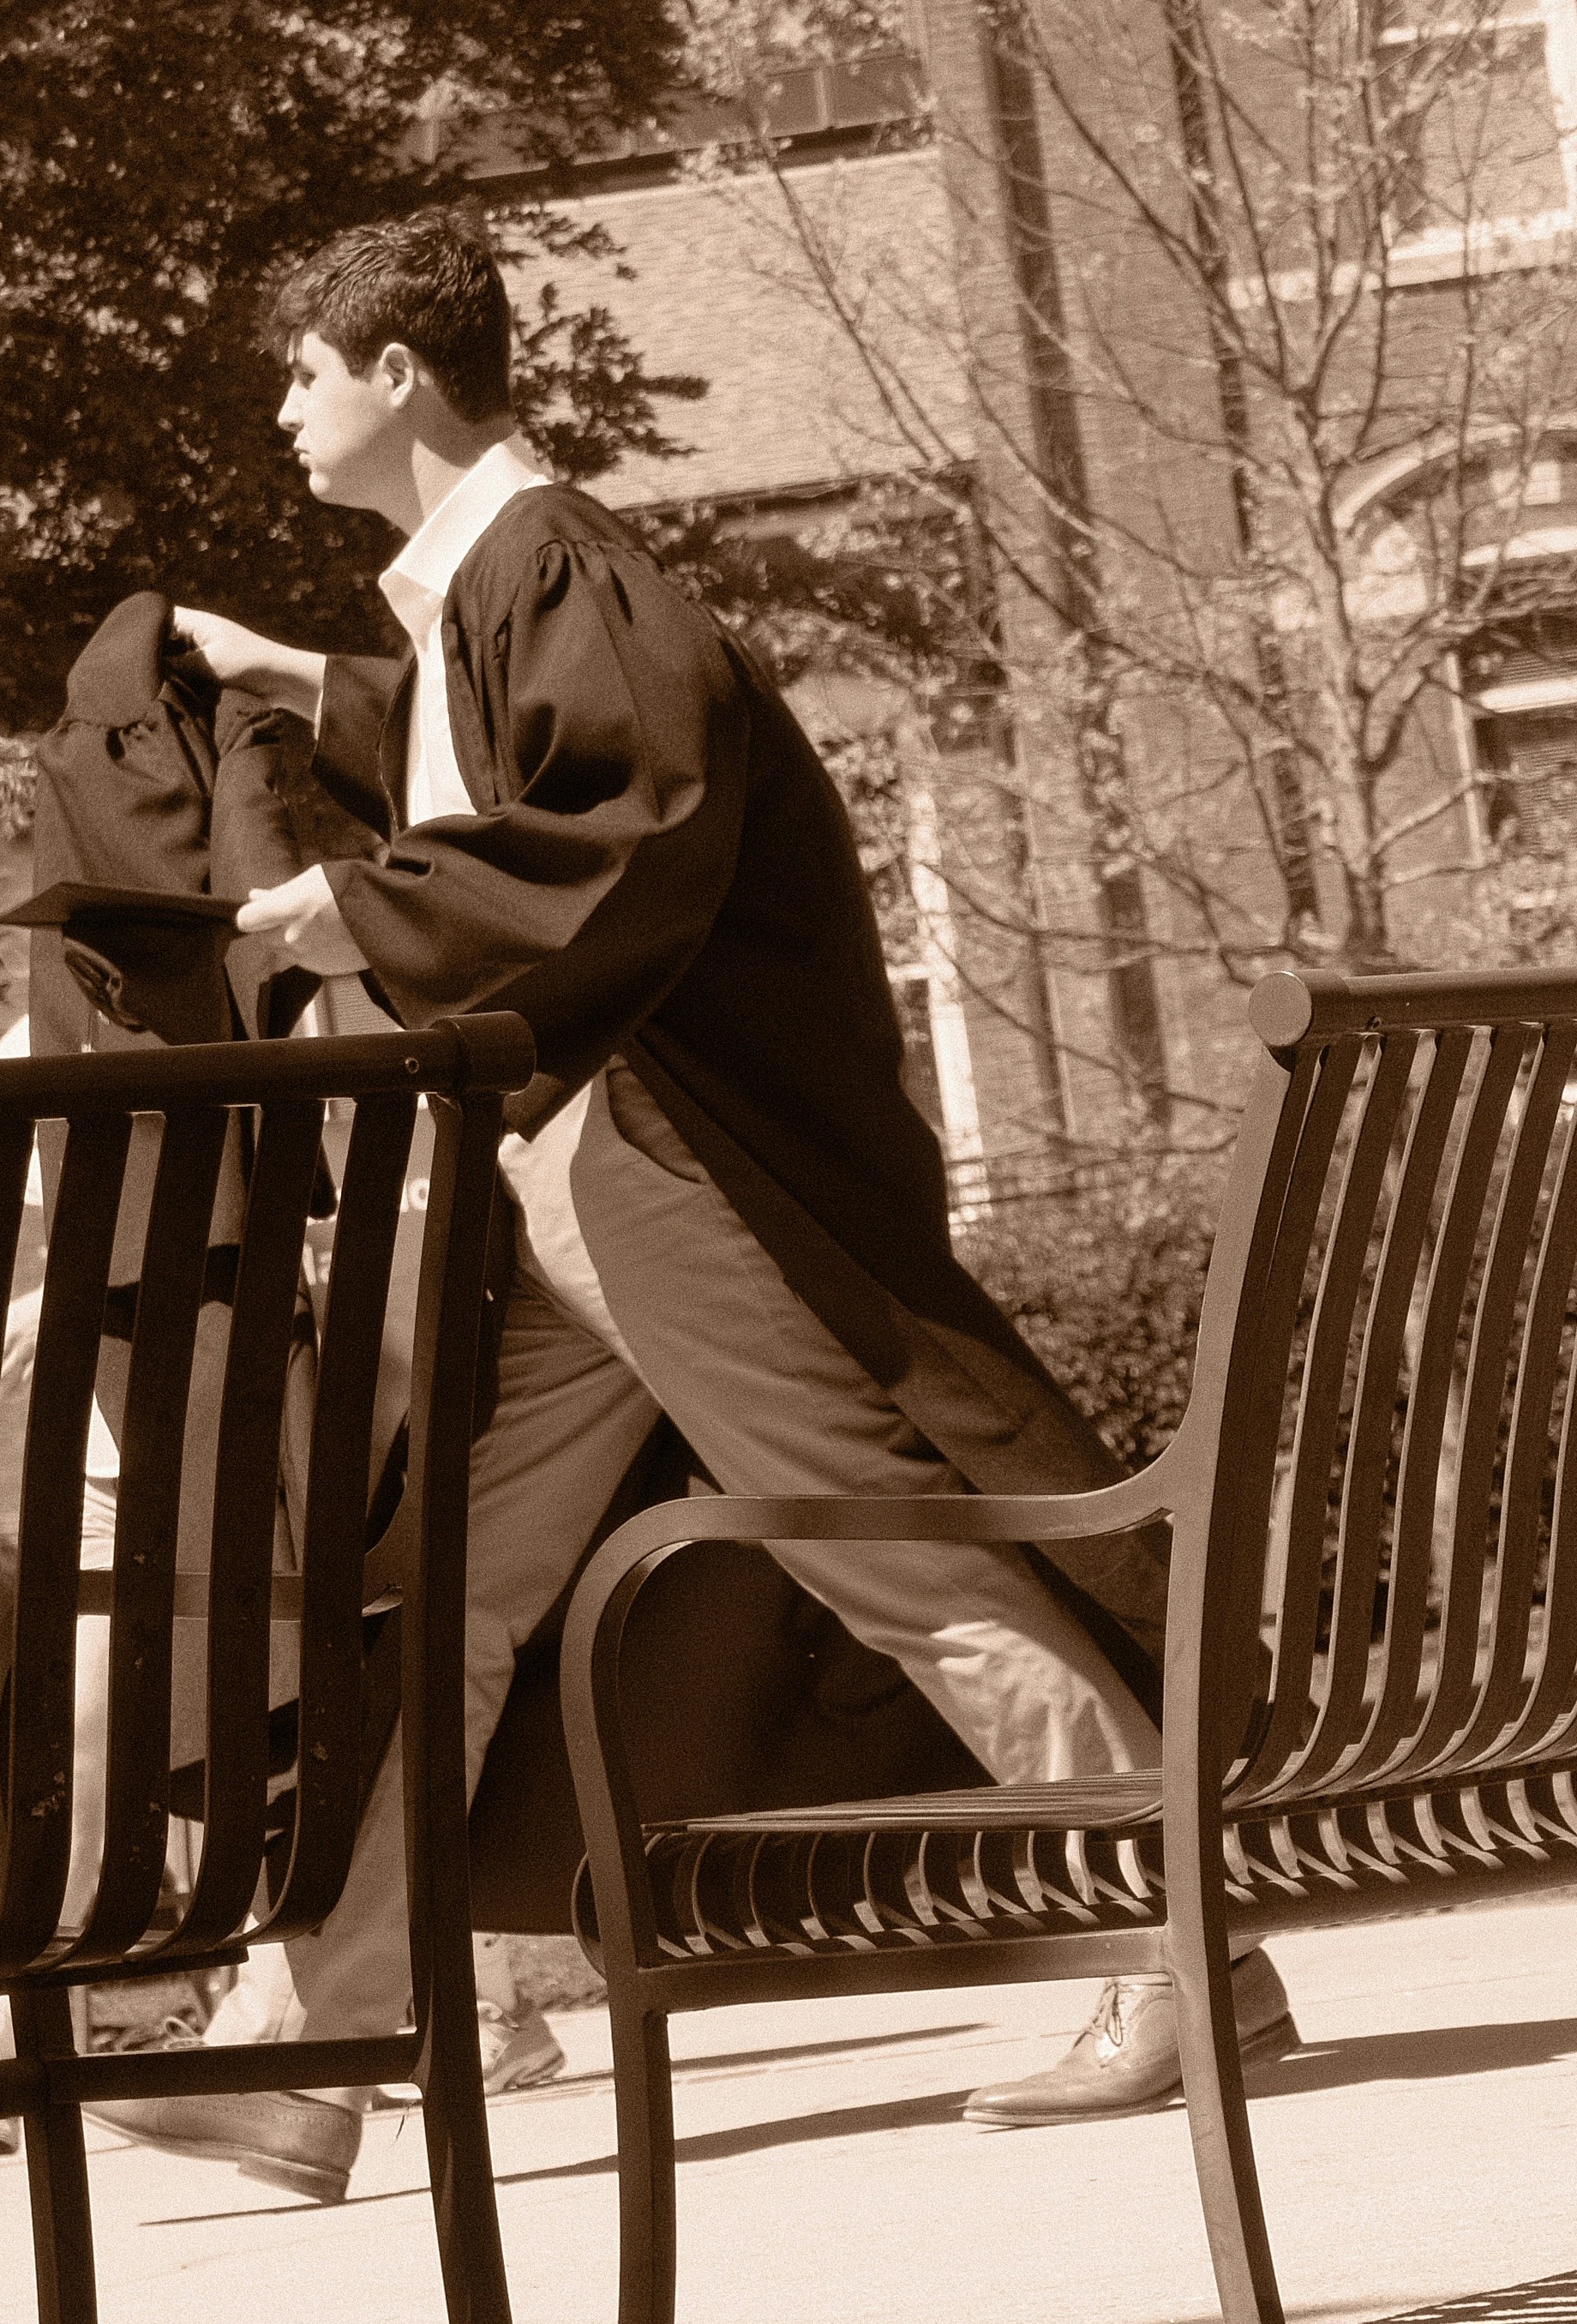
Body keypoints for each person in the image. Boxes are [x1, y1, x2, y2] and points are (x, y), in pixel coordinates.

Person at [86, 209, 1287, 2203]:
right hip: (572, 1175)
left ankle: (1187, 1944)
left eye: (302, 373)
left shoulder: (567, 569)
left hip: (662, 1168)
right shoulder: (497, 591)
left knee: (882, 1547)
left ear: (398, 372)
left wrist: (334, 910)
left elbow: (612, 835)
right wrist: (300, 675)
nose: (283, 411)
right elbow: (499, 765)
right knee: (456, 1594)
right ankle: (306, 2050)